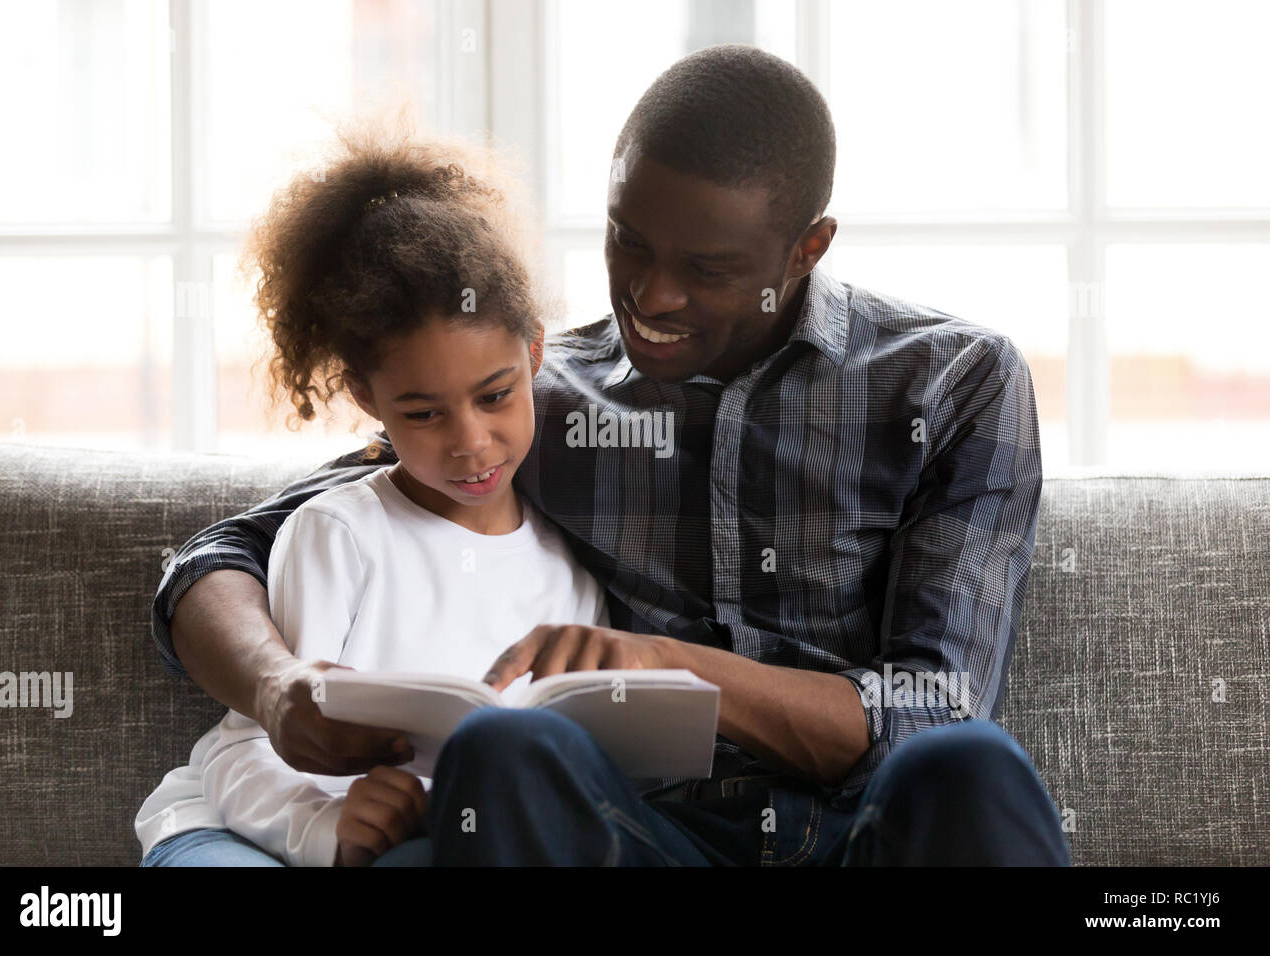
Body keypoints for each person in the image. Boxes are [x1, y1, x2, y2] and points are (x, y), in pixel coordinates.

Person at [148, 45, 1071, 865]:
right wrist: (278, 691)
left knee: (970, 762)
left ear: (806, 248)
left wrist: (667, 666)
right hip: (633, 832)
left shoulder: (950, 382)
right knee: (500, 752)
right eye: (628, 240)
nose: (650, 298)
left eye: (706, 269)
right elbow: (218, 560)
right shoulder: (539, 396)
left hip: (866, 828)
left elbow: (937, 703)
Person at [136, 118, 609, 866]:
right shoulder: (338, 534)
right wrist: (326, 829)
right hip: (242, 828)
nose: (469, 442)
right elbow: (242, 755)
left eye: (494, 396)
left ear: (536, 352)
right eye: (422, 414)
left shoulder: (571, 578)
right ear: (368, 400)